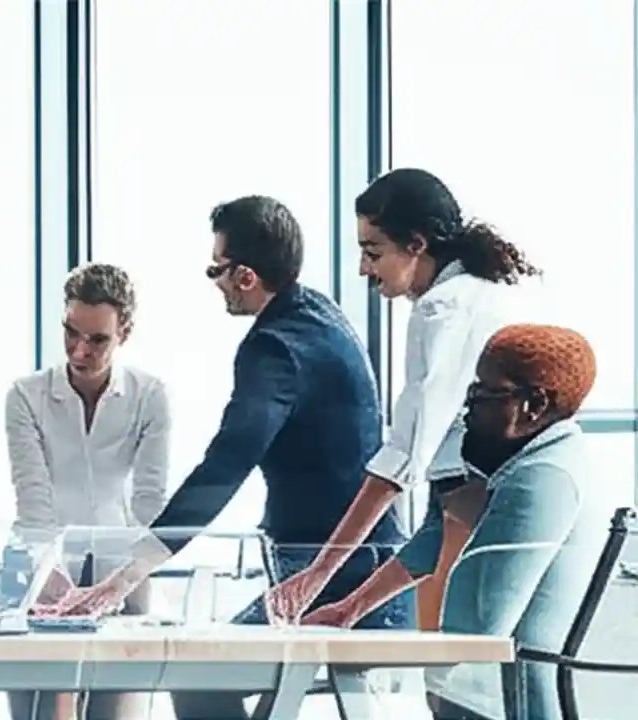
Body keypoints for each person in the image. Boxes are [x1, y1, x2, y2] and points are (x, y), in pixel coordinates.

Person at [53, 195, 414, 720]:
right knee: (205, 673)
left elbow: (226, 464)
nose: (215, 283)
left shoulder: (272, 348)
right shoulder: (321, 315)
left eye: (215, 270)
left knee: (198, 671)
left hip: (334, 577)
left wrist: (125, 577)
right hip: (356, 565)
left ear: (245, 276)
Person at [267, 168, 542, 629]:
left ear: (416, 244)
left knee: (469, 683)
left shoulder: (442, 309)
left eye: (372, 251)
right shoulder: (480, 295)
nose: (362, 268)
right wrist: (349, 608)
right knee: (473, 686)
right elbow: (435, 526)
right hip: (490, 509)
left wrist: (319, 572)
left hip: (498, 513)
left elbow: (405, 457)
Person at [303, 324, 608, 720]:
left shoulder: (543, 479)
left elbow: (478, 630)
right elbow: (433, 540)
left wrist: (458, 510)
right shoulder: (529, 461)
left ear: (534, 405)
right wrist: (350, 609)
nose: (469, 406)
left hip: (507, 707)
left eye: (484, 392)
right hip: (486, 700)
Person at [5, 263, 169, 720]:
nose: (80, 350)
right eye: (70, 333)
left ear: (125, 333)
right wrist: (49, 574)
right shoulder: (26, 395)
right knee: (42, 712)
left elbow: (150, 502)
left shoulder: (149, 396)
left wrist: (124, 581)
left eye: (97, 340)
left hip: (123, 575)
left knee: (118, 712)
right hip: (42, 570)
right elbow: (32, 500)